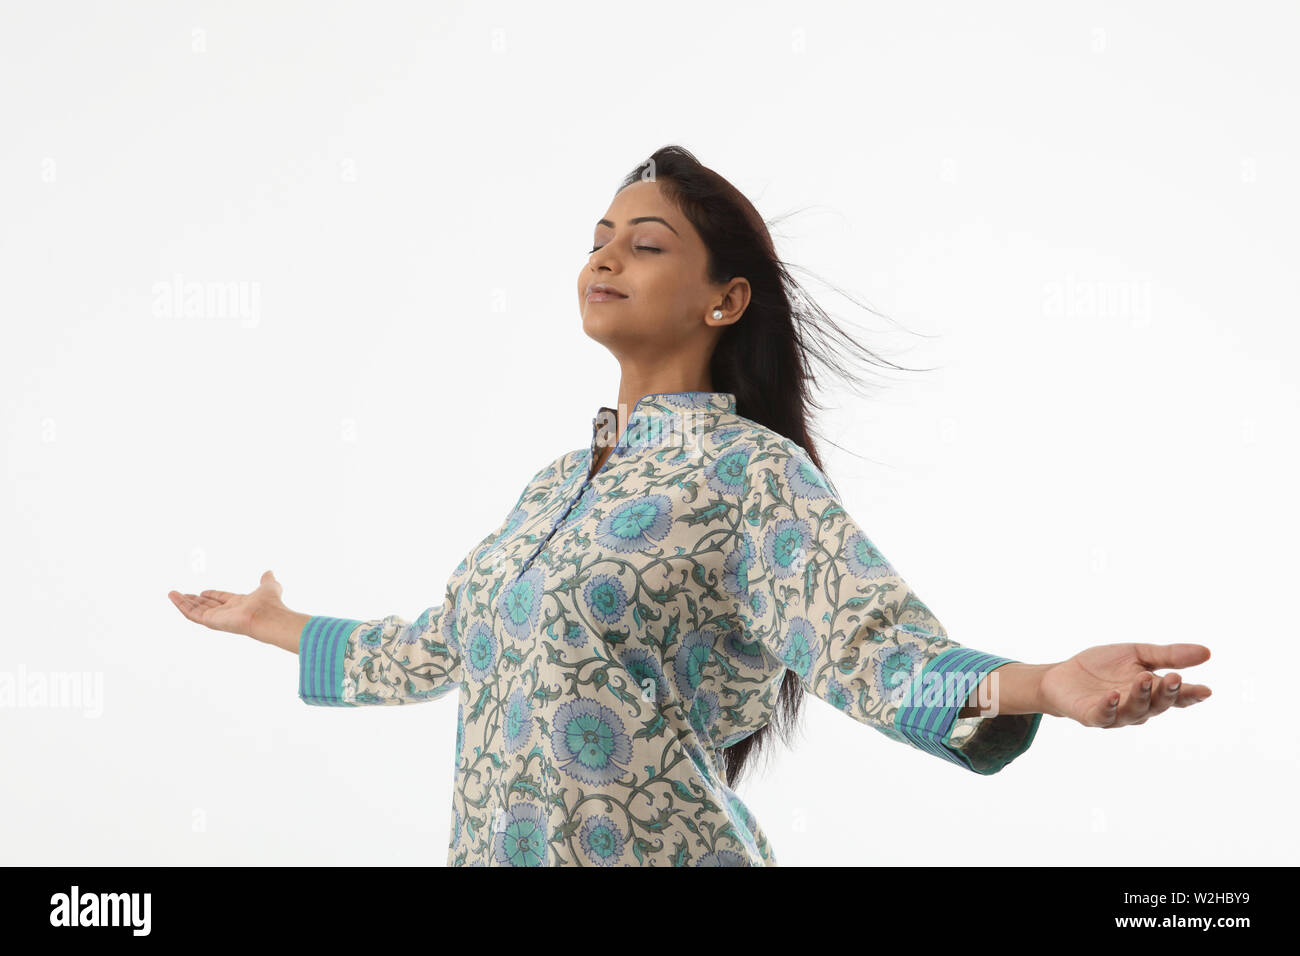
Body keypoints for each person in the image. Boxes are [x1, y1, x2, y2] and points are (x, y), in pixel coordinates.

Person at [168, 145, 1212, 867]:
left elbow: (872, 649)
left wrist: (1045, 683)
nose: (605, 255)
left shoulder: (748, 476)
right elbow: (439, 645)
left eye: (647, 241)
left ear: (726, 298)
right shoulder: (552, 487)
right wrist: (274, 622)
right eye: (598, 235)